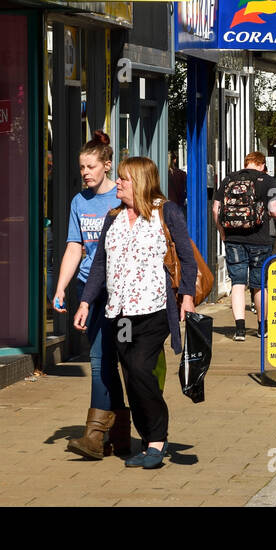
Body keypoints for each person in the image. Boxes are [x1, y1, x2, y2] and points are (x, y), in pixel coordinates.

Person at [74, 156, 196, 470]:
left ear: (139, 181)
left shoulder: (165, 212)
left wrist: (187, 296)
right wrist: (86, 302)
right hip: (122, 314)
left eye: (124, 179)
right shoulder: (113, 217)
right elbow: (99, 265)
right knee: (131, 374)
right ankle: (147, 440)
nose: (118, 183)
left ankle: (158, 438)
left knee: (141, 368)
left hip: (154, 311)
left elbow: (187, 256)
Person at [52, 133, 128, 460]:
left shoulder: (122, 197)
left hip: (122, 292)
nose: (85, 172)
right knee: (100, 361)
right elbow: (75, 246)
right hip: (88, 290)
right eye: (81, 166)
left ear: (107, 165)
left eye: (91, 166)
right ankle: (98, 437)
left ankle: (116, 433)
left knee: (121, 362)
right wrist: (60, 288)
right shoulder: (79, 202)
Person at [214, 151, 276, 342]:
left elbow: (215, 209)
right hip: (261, 239)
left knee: (237, 283)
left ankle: (240, 329)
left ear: (246, 163)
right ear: (261, 165)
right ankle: (262, 327)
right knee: (259, 285)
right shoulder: (268, 181)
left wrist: (223, 233)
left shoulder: (229, 179)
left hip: (234, 238)